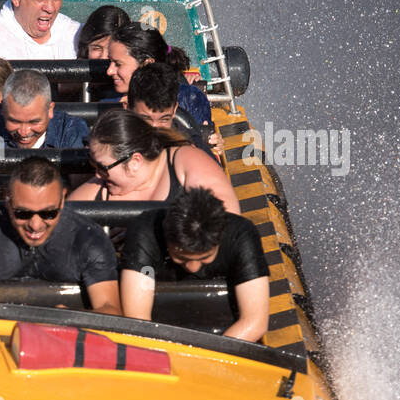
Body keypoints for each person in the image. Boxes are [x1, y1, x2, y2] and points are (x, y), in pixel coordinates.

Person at [0, 157, 120, 313]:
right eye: (23, 213)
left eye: (48, 213)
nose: (35, 225)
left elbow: (111, 311)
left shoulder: (87, 237)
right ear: (7, 199)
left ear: (63, 198)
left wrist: (68, 318)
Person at [69, 109, 239, 247]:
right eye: (93, 164)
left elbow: (229, 223)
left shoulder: (184, 162)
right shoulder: (101, 187)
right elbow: (60, 230)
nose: (97, 174)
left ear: (135, 161)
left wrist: (146, 231)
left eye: (102, 167)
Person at [120, 188, 270, 342]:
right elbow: (137, 321)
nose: (193, 268)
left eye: (205, 258)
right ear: (166, 237)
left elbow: (255, 322)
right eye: (181, 258)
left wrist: (206, 361)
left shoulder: (241, 235)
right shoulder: (146, 231)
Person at [106, 22, 213, 130]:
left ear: (147, 64)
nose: (109, 71)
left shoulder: (187, 98)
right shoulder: (104, 97)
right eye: (109, 62)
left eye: (118, 64)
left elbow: (199, 143)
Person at [0, 70, 89, 150]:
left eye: (34, 122)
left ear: (50, 110)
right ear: (3, 109)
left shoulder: (70, 128)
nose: (23, 132)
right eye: (14, 121)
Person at [126, 64, 223, 159]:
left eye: (164, 119)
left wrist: (208, 150)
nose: (155, 129)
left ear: (174, 110)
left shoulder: (191, 147)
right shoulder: (114, 145)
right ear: (128, 109)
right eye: (146, 119)